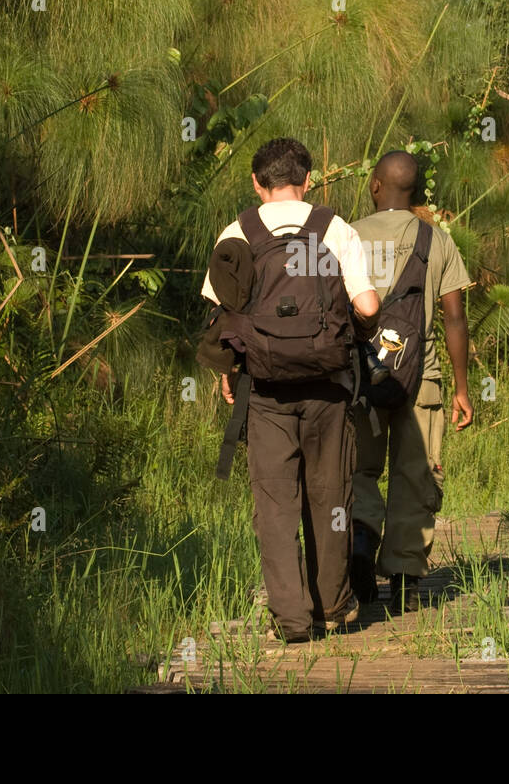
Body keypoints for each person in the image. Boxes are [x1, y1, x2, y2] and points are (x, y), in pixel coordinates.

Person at [200, 137, 380, 643]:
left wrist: (227, 374)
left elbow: (221, 315)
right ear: (308, 180)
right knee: (331, 499)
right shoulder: (334, 229)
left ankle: (293, 620)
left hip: (265, 391)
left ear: (257, 183)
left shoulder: (238, 232)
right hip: (328, 388)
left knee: (275, 506)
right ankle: (335, 607)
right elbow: (365, 307)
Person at [350, 150, 474, 613]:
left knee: (358, 467)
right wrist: (462, 389)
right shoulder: (436, 239)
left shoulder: (347, 237)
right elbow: (455, 318)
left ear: (376, 186)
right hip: (421, 374)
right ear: (417, 194)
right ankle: (403, 578)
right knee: (413, 472)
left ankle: (361, 540)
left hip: (362, 375)